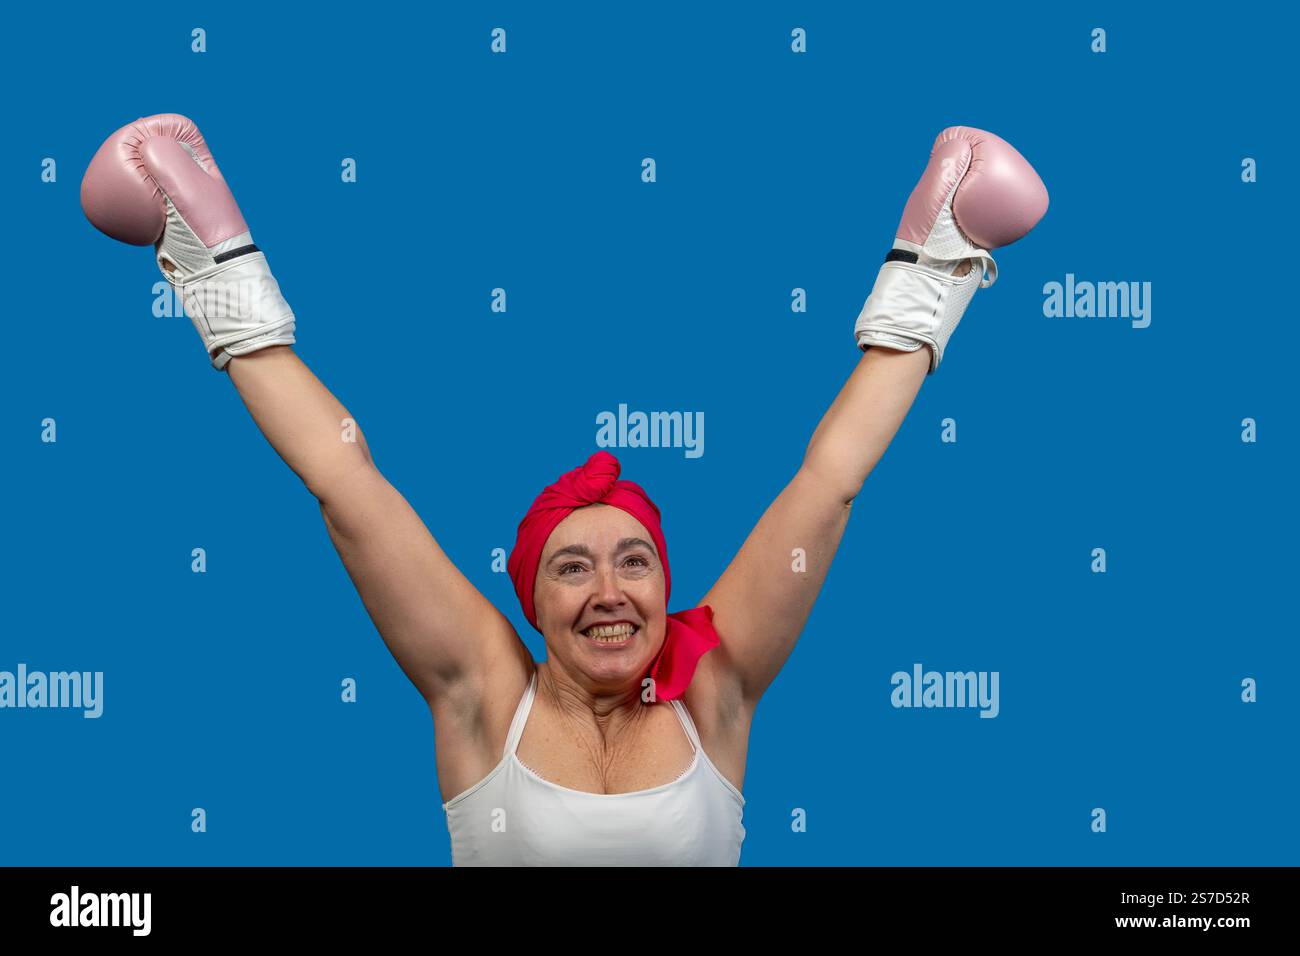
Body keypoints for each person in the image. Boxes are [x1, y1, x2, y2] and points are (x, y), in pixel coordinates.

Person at [80, 115, 1048, 865]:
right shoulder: (481, 689)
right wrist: (208, 257)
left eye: (634, 561)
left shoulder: (712, 684)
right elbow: (344, 479)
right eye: (571, 568)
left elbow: (828, 480)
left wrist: (938, 265)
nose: (609, 589)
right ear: (532, 603)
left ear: (666, 588)